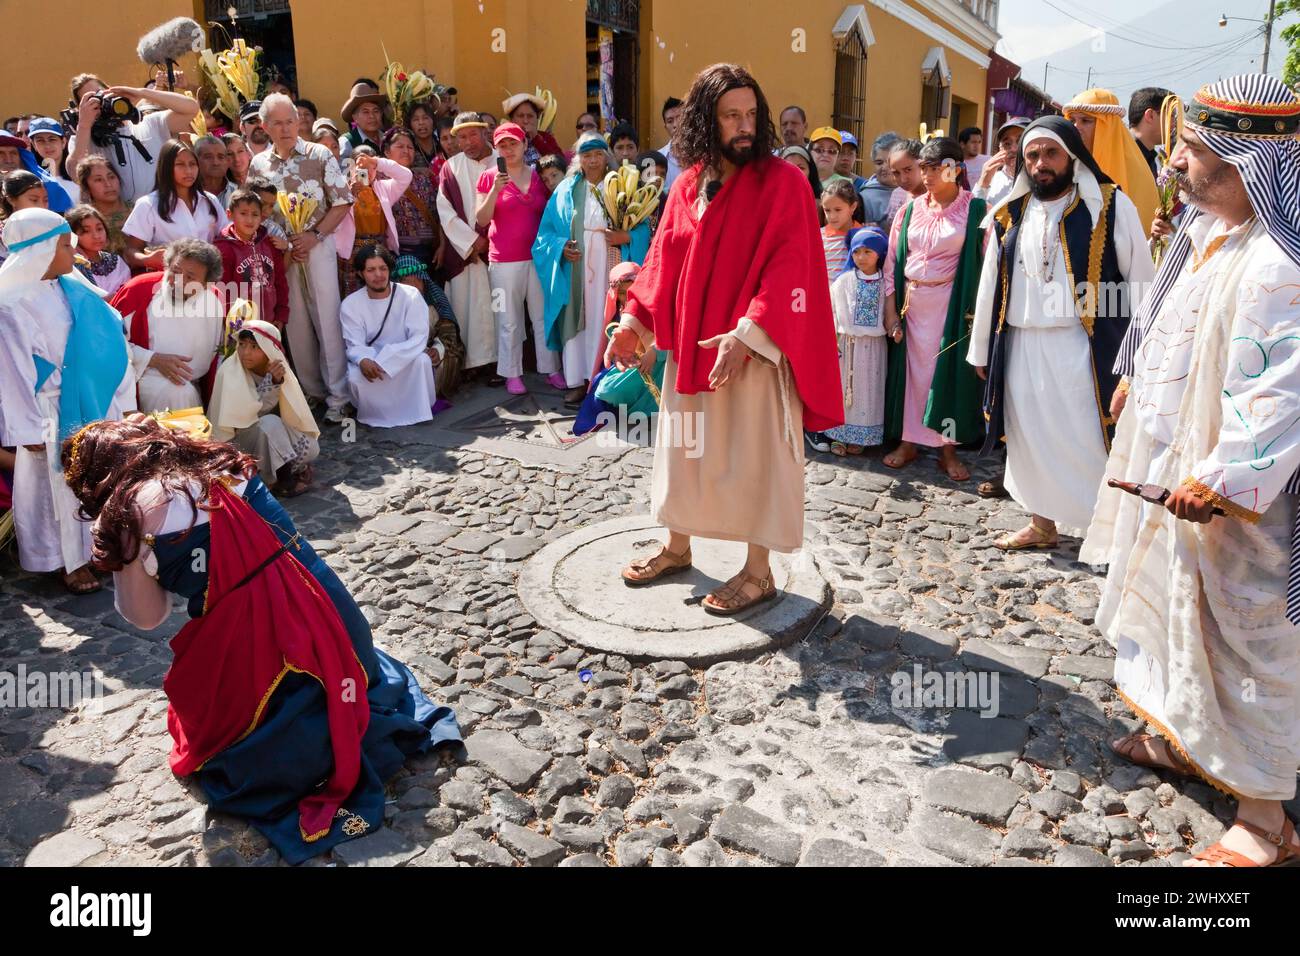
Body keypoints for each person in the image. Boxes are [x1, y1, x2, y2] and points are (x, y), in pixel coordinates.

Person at [60, 417, 460, 863]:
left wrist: (124, 553)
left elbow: (147, 618)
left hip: (273, 657)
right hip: (340, 631)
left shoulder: (129, 514)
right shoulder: (219, 459)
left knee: (200, 704)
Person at [1083, 75, 1300, 868]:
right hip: (1180, 476)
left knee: (1247, 640)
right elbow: (1171, 319)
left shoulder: (1280, 260)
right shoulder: (1212, 233)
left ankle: (1267, 818)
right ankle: (1185, 740)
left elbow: (1283, 390)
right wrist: (1137, 376)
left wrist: (1222, 479)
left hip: (1244, 500)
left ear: (1249, 163)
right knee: (1182, 618)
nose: (1172, 162)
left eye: (1193, 150)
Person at [606, 63, 842, 615]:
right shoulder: (688, 184)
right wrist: (634, 324)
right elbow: (664, 260)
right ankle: (677, 546)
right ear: (706, 123)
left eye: (750, 115)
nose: (743, 126)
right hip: (691, 349)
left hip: (753, 352)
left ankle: (758, 573)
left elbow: (791, 268)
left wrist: (749, 333)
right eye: (730, 115)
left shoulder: (782, 183)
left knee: (754, 458)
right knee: (684, 452)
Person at [968, 117, 1154, 549]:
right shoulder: (1009, 214)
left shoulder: (1108, 206)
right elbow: (989, 285)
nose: (1040, 164)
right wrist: (981, 350)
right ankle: (1042, 524)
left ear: (1071, 156)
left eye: (1050, 153)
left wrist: (1144, 353)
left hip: (1084, 349)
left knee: (1089, 440)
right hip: (1021, 345)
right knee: (1029, 441)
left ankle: (1111, 535)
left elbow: (1143, 282)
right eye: (1031, 156)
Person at [0, 208, 135, 594]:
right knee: (56, 487)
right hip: (49, 410)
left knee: (99, 477)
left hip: (93, 397)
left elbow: (109, 336)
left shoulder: (73, 287)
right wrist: (26, 430)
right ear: (37, 251)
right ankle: (66, 561)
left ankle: (101, 547)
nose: (72, 254)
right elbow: (12, 375)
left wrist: (121, 398)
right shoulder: (10, 307)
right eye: (63, 246)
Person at [881, 137, 985, 481]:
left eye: (935, 168)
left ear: (955, 169)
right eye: (923, 167)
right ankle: (909, 441)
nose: (927, 175)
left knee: (946, 375)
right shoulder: (909, 210)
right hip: (913, 304)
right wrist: (891, 311)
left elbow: (988, 265)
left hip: (951, 305)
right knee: (912, 376)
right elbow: (893, 261)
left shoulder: (975, 210)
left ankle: (947, 449)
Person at [249, 93, 354, 423]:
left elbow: (341, 201)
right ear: (265, 127)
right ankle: (311, 391)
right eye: (277, 123)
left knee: (327, 317)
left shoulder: (319, 153)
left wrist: (315, 236)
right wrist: (278, 241)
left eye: (290, 121)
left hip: (317, 243)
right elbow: (255, 210)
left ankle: (339, 395)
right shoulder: (259, 164)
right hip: (281, 251)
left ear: (299, 121)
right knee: (295, 323)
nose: (285, 129)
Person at [534, 132, 651, 406]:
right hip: (576, 267)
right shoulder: (566, 189)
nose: (593, 160)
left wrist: (628, 237)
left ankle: (606, 379)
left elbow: (644, 225)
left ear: (606, 156)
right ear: (578, 159)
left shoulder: (623, 184)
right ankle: (577, 380)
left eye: (598, 154)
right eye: (586, 155)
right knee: (580, 321)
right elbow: (546, 232)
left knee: (609, 317)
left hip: (611, 261)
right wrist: (562, 247)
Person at [476, 122, 561, 395]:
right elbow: (481, 219)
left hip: (538, 260)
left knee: (542, 317)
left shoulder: (539, 176)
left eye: (514, 143)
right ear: (496, 148)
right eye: (503, 145)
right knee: (507, 319)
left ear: (525, 144)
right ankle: (511, 373)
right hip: (502, 262)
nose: (509, 149)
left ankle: (552, 369)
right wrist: (495, 192)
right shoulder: (488, 177)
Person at [111, 238, 226, 413]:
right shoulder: (138, 290)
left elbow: (219, 357)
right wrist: (151, 358)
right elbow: (107, 340)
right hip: (142, 376)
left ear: (205, 283)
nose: (178, 282)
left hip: (194, 384)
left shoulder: (215, 300)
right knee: (178, 392)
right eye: (175, 271)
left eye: (190, 277)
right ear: (167, 265)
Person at [209, 317, 319, 496]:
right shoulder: (230, 371)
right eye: (242, 344)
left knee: (311, 447)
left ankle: (275, 470)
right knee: (270, 423)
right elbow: (248, 416)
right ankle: (284, 480)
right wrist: (272, 384)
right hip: (237, 443)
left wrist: (276, 381)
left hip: (270, 437)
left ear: (268, 349)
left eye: (254, 346)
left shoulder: (278, 368)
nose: (245, 352)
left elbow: (291, 412)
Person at [340, 243, 441, 428]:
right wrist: (363, 360)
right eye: (371, 270)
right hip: (372, 364)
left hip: (405, 360)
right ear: (361, 274)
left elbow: (418, 338)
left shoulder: (410, 295)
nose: (378, 275)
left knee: (422, 361)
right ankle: (376, 415)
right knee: (354, 377)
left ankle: (418, 411)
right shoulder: (350, 304)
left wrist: (388, 360)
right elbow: (354, 344)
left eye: (383, 268)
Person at [64, 75, 200, 202]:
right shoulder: (85, 138)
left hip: (161, 211)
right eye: (91, 100)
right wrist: (84, 124)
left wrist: (142, 93)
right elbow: (74, 171)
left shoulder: (149, 123)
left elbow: (191, 108)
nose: (99, 102)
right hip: (120, 217)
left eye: (101, 93)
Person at [436, 112, 500, 378]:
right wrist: (473, 243)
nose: (468, 141)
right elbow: (445, 210)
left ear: (484, 132)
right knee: (466, 305)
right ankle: (471, 364)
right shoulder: (450, 167)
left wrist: (491, 240)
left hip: (500, 251)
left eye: (473, 134)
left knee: (500, 306)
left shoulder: (504, 160)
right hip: (466, 253)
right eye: (461, 137)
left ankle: (502, 363)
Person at [824, 226, 888, 455]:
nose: (861, 257)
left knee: (868, 390)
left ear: (880, 254)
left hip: (873, 348)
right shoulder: (844, 281)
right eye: (856, 252)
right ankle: (838, 434)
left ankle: (862, 436)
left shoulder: (885, 282)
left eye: (868, 252)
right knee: (843, 390)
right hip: (847, 345)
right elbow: (831, 309)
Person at [122, 139, 228, 272]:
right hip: (167, 282)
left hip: (207, 279)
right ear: (166, 167)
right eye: (180, 164)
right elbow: (130, 251)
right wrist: (148, 260)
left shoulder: (210, 200)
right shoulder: (148, 204)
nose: (188, 170)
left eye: (192, 164)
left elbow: (226, 238)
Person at [1063, 89, 1161, 233]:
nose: (1076, 127)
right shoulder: (1062, 165)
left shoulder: (1137, 174)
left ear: (1107, 127)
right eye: (1072, 121)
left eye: (1085, 120)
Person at [332, 147, 412, 298]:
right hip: (351, 253)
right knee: (353, 295)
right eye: (361, 167)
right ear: (352, 167)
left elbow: (406, 175)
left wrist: (376, 162)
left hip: (379, 249)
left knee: (381, 294)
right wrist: (350, 193)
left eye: (371, 167)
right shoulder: (341, 187)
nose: (367, 171)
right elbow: (334, 217)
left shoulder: (384, 188)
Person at [215, 187, 289, 330]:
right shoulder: (224, 249)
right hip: (237, 327)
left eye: (255, 214)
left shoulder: (270, 245)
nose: (249, 220)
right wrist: (230, 323)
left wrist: (281, 314)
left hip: (269, 323)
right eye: (243, 213)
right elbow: (222, 290)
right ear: (230, 214)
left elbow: (280, 281)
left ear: (262, 217)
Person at [393, 254, 466, 397]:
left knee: (452, 356)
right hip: (405, 356)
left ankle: (431, 396)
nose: (414, 287)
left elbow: (449, 333)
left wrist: (438, 350)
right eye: (408, 282)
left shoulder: (434, 300)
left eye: (418, 281)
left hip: (432, 351)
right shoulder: (390, 307)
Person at [382, 127, 443, 268]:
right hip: (400, 254)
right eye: (400, 146)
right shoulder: (379, 180)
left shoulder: (424, 178)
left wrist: (442, 245)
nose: (406, 151)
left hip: (431, 252)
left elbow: (440, 213)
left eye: (410, 147)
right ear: (386, 151)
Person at [75, 155, 133, 256]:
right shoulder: (83, 220)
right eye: (98, 180)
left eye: (111, 177)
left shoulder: (138, 210)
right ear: (86, 187)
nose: (108, 184)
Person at [67, 204, 129, 295]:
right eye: (86, 231)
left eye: (99, 229)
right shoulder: (73, 268)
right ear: (73, 236)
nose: (96, 236)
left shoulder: (117, 261)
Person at [973, 117, 1029, 210]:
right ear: (999, 149)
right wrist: (983, 183)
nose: (1013, 149)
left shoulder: (1044, 180)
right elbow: (974, 217)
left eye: (1020, 141)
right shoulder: (992, 181)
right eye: (1007, 143)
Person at [502, 92, 567, 166]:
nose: (525, 121)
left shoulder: (546, 137)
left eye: (530, 116)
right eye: (520, 116)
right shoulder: (504, 139)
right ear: (512, 119)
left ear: (537, 118)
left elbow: (561, 164)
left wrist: (536, 138)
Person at [27, 117, 80, 204]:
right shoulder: (31, 179)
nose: (47, 145)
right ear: (34, 145)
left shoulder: (79, 173)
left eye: (52, 139)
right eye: (40, 140)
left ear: (63, 142)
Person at [1128, 87, 1173, 178]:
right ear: (1150, 116)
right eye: (1171, 115)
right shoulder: (1123, 155)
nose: (1175, 123)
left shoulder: (1150, 157)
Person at [860, 131, 900, 228]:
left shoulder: (911, 190)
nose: (884, 167)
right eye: (879, 163)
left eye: (889, 161)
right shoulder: (865, 197)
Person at [340, 82, 390, 156]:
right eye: (366, 112)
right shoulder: (347, 142)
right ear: (355, 117)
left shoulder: (388, 138)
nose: (372, 116)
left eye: (376, 111)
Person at [193, 134, 236, 210]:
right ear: (195, 160)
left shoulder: (238, 193)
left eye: (220, 157)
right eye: (208, 157)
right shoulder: (186, 194)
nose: (215, 162)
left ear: (227, 162)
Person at [658, 97, 684, 194]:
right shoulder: (659, 158)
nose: (675, 125)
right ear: (665, 127)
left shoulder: (701, 156)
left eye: (680, 118)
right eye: (670, 121)